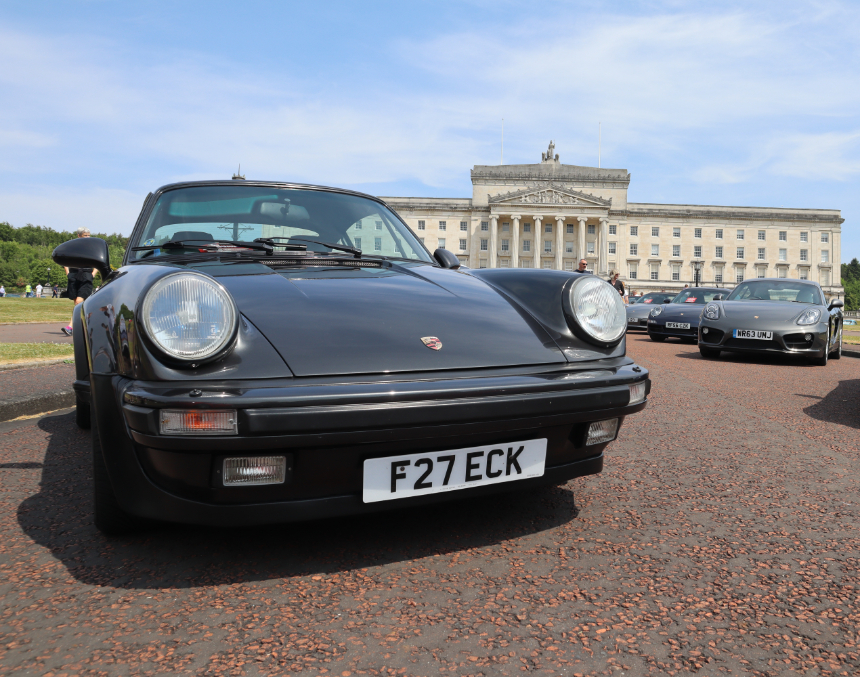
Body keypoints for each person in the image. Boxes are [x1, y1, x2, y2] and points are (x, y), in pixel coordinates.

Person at [61, 228, 98, 336]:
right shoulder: (73, 247)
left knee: (78, 302)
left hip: (86, 275)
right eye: (85, 235)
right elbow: (64, 259)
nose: (87, 237)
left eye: (88, 235)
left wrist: (93, 273)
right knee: (78, 305)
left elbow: (98, 260)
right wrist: (68, 272)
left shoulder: (92, 248)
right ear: (79, 236)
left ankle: (71, 326)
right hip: (74, 275)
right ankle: (84, 325)